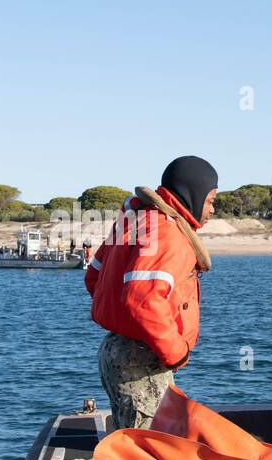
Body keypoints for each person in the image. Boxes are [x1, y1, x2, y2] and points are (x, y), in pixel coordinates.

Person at [85, 155, 218, 430]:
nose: (213, 209)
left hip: (114, 354)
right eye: (211, 200)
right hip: (140, 363)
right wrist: (175, 352)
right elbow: (143, 299)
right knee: (147, 452)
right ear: (193, 194)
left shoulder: (135, 221)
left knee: (129, 446)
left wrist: (123, 324)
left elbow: (93, 277)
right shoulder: (168, 234)